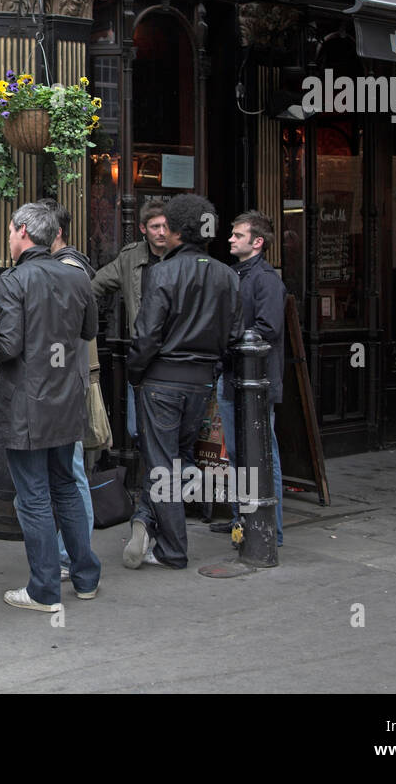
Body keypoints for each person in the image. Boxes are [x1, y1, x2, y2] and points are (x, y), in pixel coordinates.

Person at [0, 203, 100, 612]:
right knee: (67, 488)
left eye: (10, 229)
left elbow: (10, 345)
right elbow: (88, 331)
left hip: (27, 403)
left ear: (21, 231)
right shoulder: (76, 276)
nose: (9, 236)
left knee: (34, 496)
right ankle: (86, 577)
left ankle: (43, 591)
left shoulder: (14, 278)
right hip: (67, 397)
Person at [123, 194, 241, 569]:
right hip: (201, 382)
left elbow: (147, 335)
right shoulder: (226, 274)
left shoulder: (163, 272)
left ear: (174, 231)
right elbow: (234, 335)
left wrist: (135, 373)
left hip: (162, 379)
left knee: (161, 465)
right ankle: (147, 520)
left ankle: (172, 548)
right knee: (174, 461)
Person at [212, 211, 287, 545]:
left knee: (262, 454)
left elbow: (267, 330)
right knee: (238, 456)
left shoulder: (267, 280)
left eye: (237, 235)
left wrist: (226, 340)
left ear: (257, 242)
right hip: (231, 378)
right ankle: (242, 523)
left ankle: (271, 529)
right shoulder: (234, 274)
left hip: (255, 382)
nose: (230, 239)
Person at [38, 199, 103, 579]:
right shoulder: (66, 267)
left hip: (65, 382)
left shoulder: (68, 269)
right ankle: (70, 554)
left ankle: (72, 556)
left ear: (56, 233)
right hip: (66, 380)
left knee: (72, 472)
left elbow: (67, 332)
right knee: (65, 471)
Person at [91, 200, 169, 442]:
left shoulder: (182, 255)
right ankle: (150, 477)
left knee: (170, 430)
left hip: (175, 354)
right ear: (143, 228)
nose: (162, 232)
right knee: (138, 429)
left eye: (166, 226)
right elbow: (93, 286)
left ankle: (164, 478)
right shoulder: (131, 257)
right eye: (155, 227)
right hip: (143, 353)